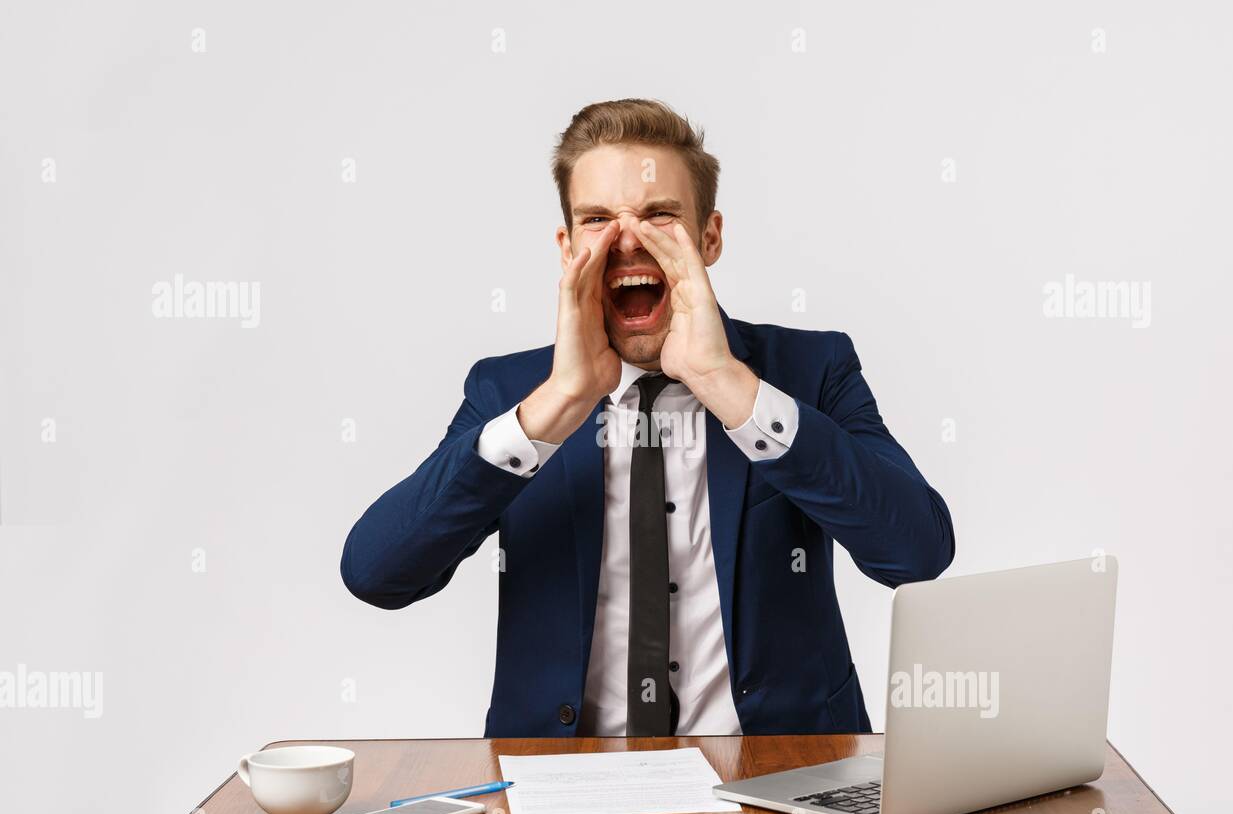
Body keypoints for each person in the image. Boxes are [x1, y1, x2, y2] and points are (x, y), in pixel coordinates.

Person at [341, 98, 955, 738]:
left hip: (779, 781)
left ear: (710, 237)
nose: (628, 241)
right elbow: (377, 574)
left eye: (660, 215)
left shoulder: (811, 368)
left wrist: (727, 384)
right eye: (597, 220)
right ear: (567, 245)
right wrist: (556, 407)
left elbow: (917, 553)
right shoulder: (509, 390)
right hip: (563, 789)